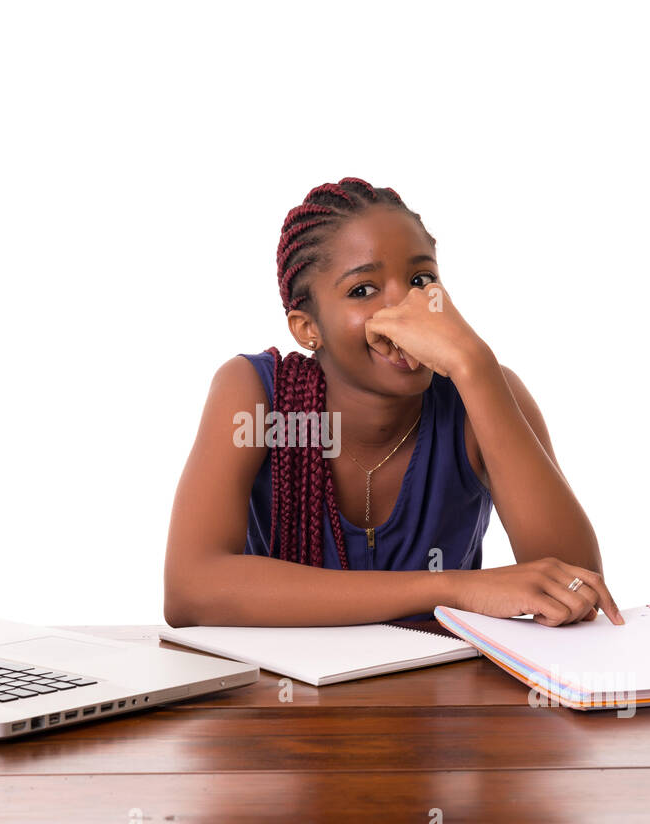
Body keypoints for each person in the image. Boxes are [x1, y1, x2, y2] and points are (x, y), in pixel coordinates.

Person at [164, 177, 624, 629]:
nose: (407, 307)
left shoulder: (481, 392)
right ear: (308, 328)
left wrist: (475, 366)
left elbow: (576, 590)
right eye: (363, 290)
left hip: (442, 699)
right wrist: (451, 588)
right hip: (286, 698)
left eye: (421, 279)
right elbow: (190, 590)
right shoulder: (255, 394)